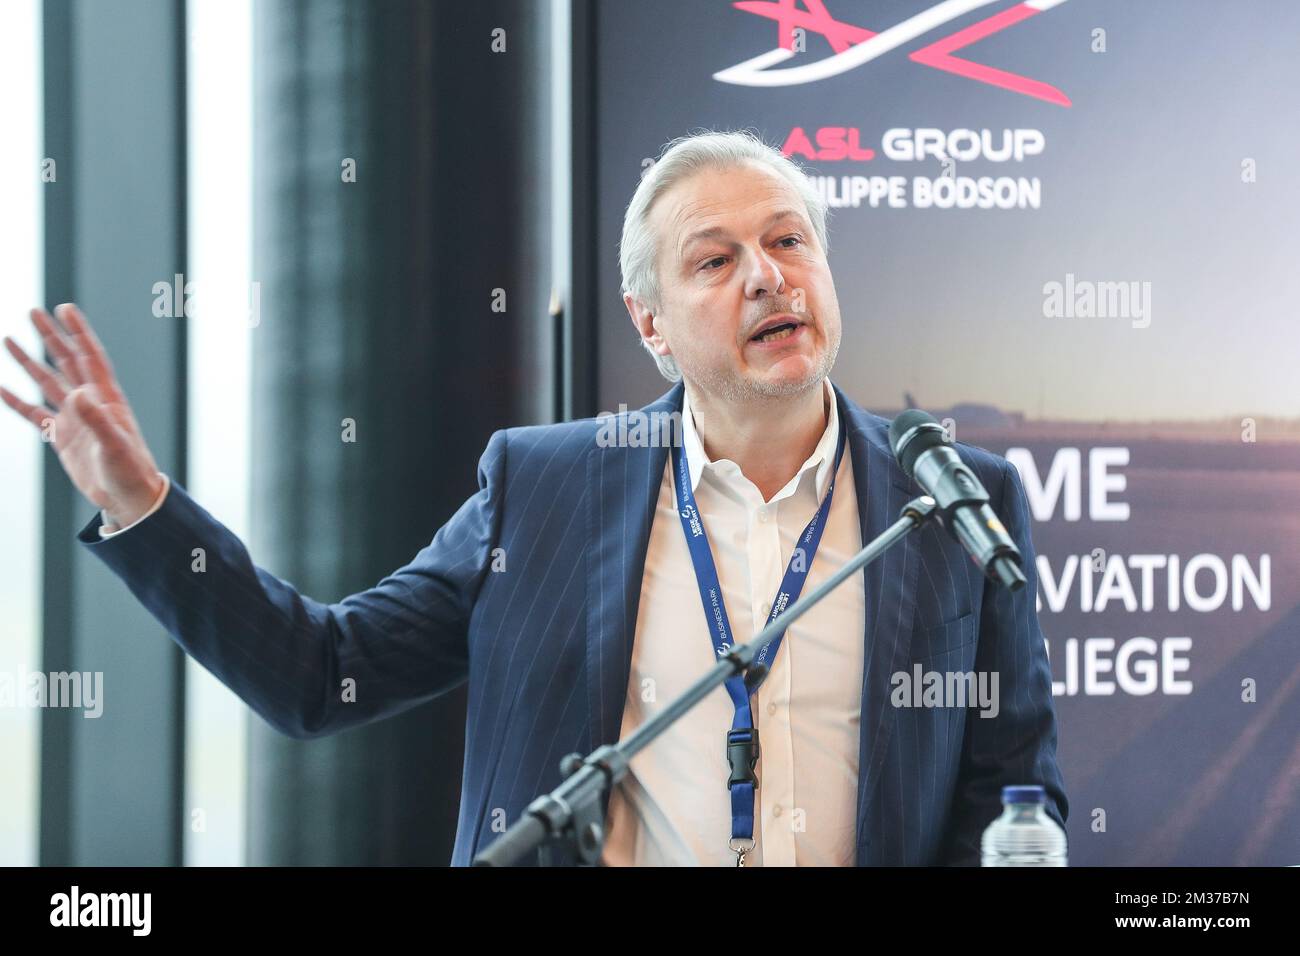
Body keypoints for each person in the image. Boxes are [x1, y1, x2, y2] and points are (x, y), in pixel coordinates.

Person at [1, 130, 1067, 866]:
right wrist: (142, 502)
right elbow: (321, 674)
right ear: (650, 326)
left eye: (790, 241)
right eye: (715, 258)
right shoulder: (546, 489)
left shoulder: (954, 500)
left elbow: (1013, 795)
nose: (767, 275)